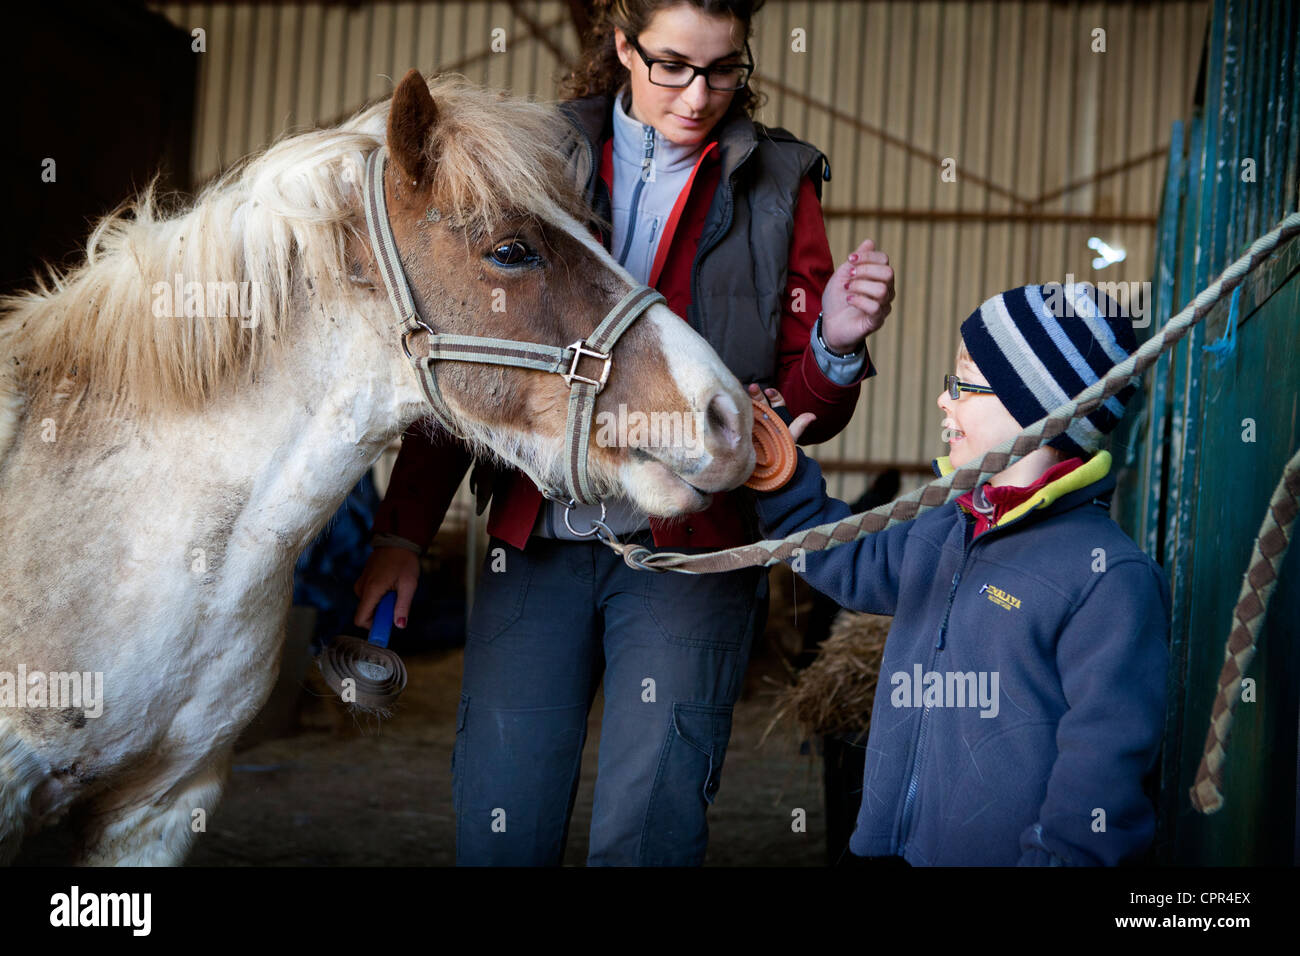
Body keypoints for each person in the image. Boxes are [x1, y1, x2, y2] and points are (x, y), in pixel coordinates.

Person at [354, 0, 896, 866]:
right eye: (673, 65)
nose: (698, 95)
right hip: (537, 538)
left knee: (651, 830)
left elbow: (794, 418)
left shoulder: (778, 185)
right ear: (621, 44)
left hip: (693, 552)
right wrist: (402, 532)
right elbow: (471, 352)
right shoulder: (535, 156)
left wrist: (833, 345)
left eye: (724, 70)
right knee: (503, 815)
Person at [751, 282, 1168, 866]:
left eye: (965, 383)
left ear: (1041, 410)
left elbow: (1101, 775)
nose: (944, 401)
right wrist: (781, 476)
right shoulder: (948, 523)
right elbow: (851, 560)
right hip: (884, 848)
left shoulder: (1108, 580)